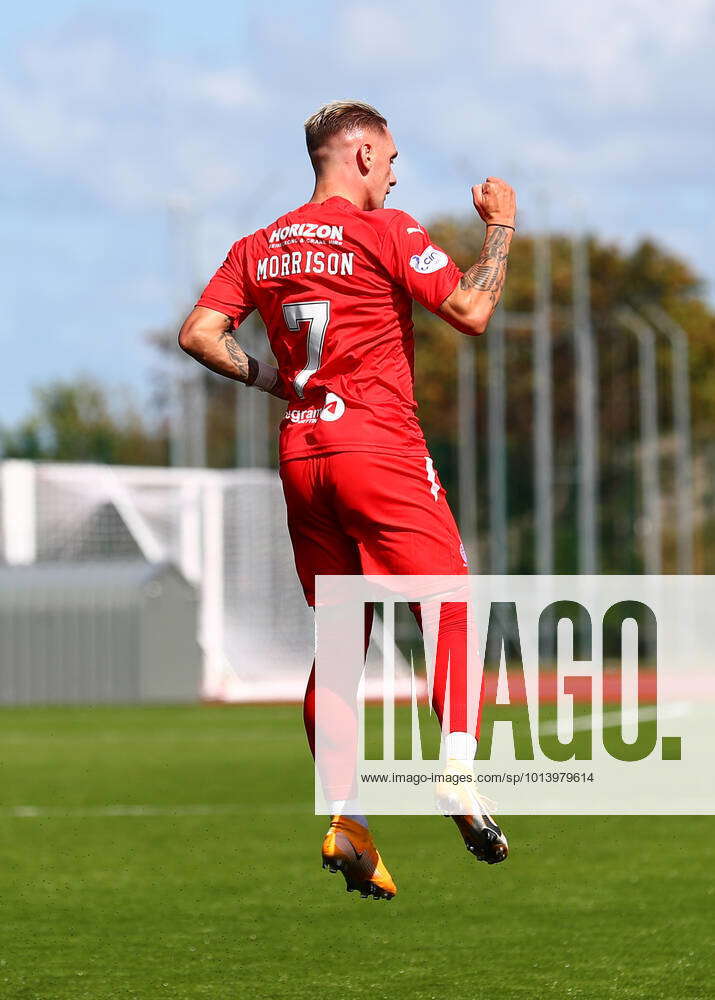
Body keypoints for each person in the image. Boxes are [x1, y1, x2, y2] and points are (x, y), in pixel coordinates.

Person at [179, 100, 516, 901]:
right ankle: (458, 771)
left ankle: (347, 818)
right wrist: (501, 228)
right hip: (377, 446)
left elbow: (199, 332)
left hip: (303, 454)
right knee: (449, 600)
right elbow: (470, 310)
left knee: (338, 639)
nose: (395, 175)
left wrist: (277, 383)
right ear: (362, 155)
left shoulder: (259, 245)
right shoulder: (384, 230)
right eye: (391, 159)